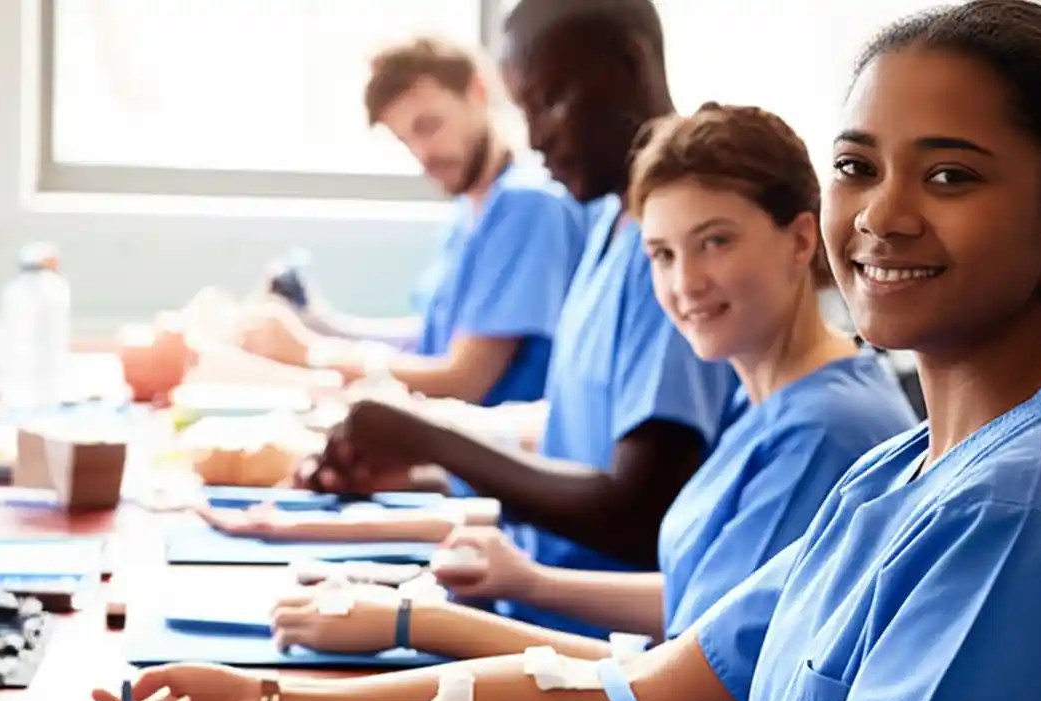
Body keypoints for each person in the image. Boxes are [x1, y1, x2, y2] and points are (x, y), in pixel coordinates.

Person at [95, 2, 1041, 701]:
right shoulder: (903, 478)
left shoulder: (1034, 512)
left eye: (948, 175)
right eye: (855, 164)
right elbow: (650, 685)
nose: (880, 216)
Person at [258, 104, 917, 660]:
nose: (684, 283)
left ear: (801, 240)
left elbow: (699, 680)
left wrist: (411, 622)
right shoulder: (763, 396)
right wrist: (532, 581)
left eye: (715, 242)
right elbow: (710, 602)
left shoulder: (824, 429)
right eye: (662, 254)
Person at [288, 0, 740, 638]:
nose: (534, 138)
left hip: (577, 637)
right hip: (515, 591)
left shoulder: (671, 260)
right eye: (525, 109)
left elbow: (636, 514)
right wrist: (424, 465)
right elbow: (568, 434)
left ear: (630, 68)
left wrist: (428, 436)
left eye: (552, 101)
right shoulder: (611, 226)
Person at [239, 36, 585, 407]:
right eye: (405, 140)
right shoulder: (468, 212)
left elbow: (464, 378)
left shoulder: (529, 206)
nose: (422, 155)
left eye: (429, 126)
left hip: (487, 450)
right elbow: (430, 340)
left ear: (477, 92)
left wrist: (312, 352)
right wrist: (321, 322)